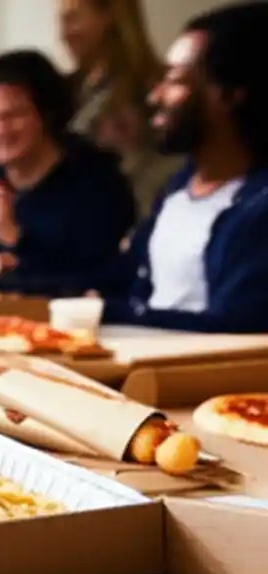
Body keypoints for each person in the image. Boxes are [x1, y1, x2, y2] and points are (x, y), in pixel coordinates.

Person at [103, 2, 268, 333]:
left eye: (174, 80)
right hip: (141, 367)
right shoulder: (179, 188)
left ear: (230, 95)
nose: (155, 96)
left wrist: (106, 313)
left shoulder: (259, 208)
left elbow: (235, 330)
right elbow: (125, 280)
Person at [0, 50, 136, 297]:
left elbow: (96, 276)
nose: (0, 130)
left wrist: (15, 237)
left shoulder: (96, 181)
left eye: (14, 115)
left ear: (47, 113)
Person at [60, 0, 179, 212]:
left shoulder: (150, 89)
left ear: (109, 15)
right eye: (62, 21)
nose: (65, 33)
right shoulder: (64, 89)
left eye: (73, 19)